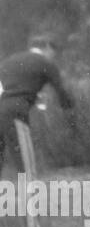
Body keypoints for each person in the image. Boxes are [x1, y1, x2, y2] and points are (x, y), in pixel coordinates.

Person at [0, 35, 75, 174]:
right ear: (47, 47)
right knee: (24, 157)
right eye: (54, 51)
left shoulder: (10, 60)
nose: (54, 55)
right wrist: (70, 109)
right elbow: (61, 90)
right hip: (15, 112)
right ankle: (30, 193)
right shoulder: (45, 63)